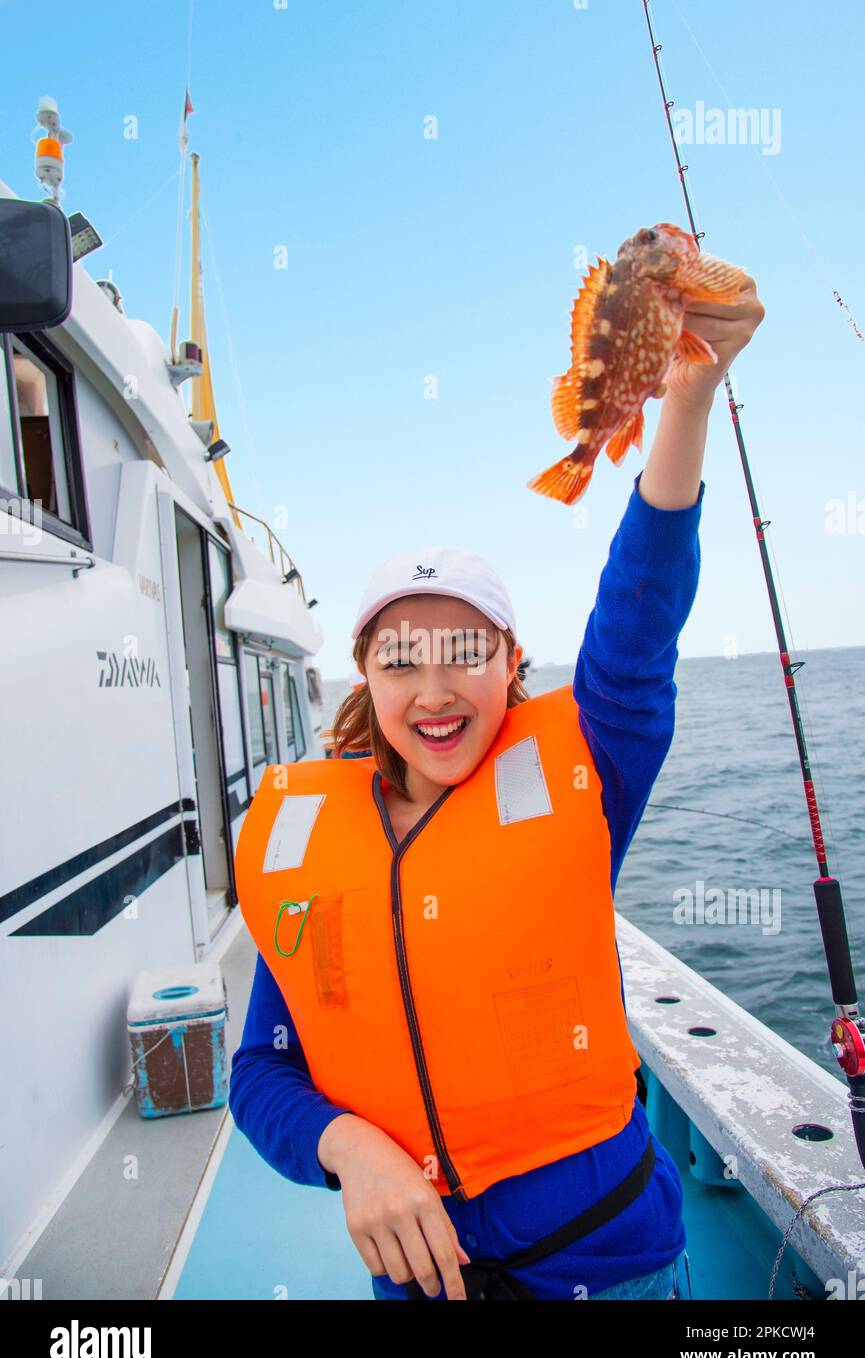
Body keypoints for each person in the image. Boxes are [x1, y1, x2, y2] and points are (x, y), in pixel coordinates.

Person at [229, 275, 765, 1301]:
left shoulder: (587, 763)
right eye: (400, 660)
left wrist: (687, 400)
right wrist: (352, 1148)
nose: (433, 691)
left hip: (611, 1267)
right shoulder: (304, 839)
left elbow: (637, 622)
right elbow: (260, 1068)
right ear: (363, 675)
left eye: (463, 652)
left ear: (511, 667)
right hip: (423, 1285)